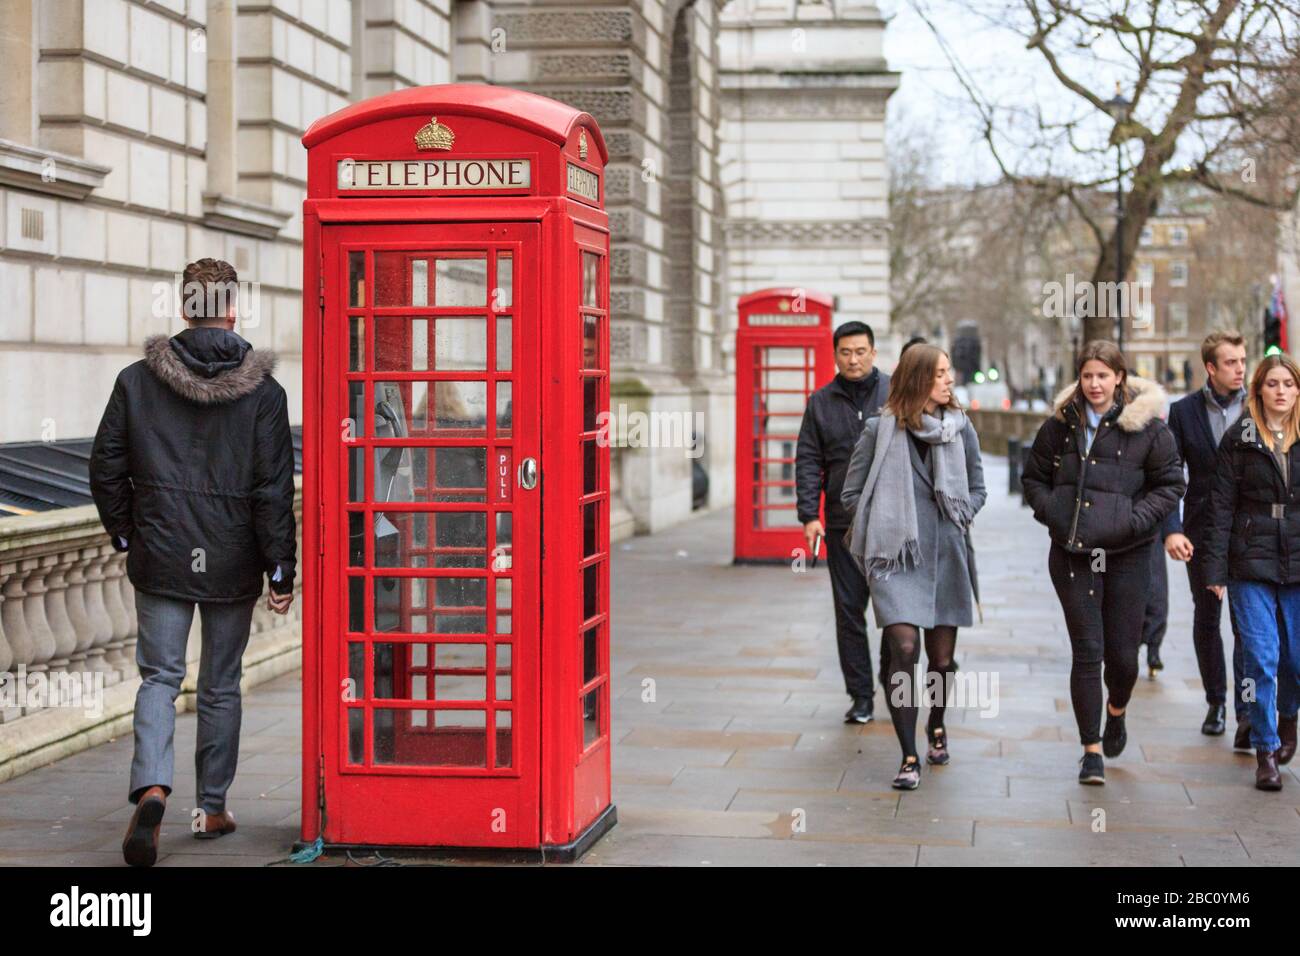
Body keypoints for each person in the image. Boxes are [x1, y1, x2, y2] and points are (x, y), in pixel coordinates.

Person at [89, 258, 297, 866]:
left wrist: (127, 533)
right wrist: (279, 567)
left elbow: (105, 467)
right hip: (231, 559)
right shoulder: (265, 393)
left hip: (162, 551)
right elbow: (272, 490)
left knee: (158, 676)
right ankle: (210, 807)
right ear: (234, 309)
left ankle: (153, 786)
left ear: (183, 308)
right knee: (220, 684)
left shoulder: (136, 381)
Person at [1021, 341, 1184, 786]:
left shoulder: (1147, 429)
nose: (1094, 384)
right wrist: (1054, 511)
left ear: (1119, 379)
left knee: (1123, 660)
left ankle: (1117, 711)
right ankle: (1090, 750)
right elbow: (1032, 477)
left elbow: (1170, 484)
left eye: (1103, 376)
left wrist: (1135, 520)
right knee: (1087, 653)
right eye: (1087, 376)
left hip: (1129, 556)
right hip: (1073, 557)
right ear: (1080, 378)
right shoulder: (1059, 427)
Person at [840, 345, 986, 789]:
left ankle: (936, 726)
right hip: (895, 559)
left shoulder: (960, 429)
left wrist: (960, 514)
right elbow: (851, 494)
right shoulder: (878, 431)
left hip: (946, 557)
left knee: (940, 662)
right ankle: (908, 755)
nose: (949, 381)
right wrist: (879, 525)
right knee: (904, 649)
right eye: (940, 374)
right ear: (919, 379)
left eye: (948, 373)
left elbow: (977, 487)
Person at [1161, 331, 1270, 744]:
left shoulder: (1258, 407)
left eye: (1243, 360)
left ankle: (1246, 711)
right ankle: (1216, 701)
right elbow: (1171, 477)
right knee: (1207, 620)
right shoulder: (1183, 413)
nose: (1241, 368)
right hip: (1203, 533)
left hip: (1250, 533)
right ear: (1211, 367)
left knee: (1248, 624)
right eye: (1231, 362)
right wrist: (1171, 528)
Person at [1201, 353, 1300, 790]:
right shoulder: (1239, 438)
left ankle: (1289, 718)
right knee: (1261, 658)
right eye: (1273, 383)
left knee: (1294, 660)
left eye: (1289, 384)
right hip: (1249, 563)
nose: (1281, 391)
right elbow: (1220, 506)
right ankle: (1265, 749)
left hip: (1297, 563)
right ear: (1259, 389)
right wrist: (1215, 569)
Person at [796, 321, 891, 724]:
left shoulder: (894, 394)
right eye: (845, 353)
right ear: (835, 355)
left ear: (873, 352)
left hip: (891, 525)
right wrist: (808, 514)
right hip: (842, 524)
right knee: (849, 611)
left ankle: (892, 680)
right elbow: (807, 459)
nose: (853, 360)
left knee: (895, 612)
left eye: (860, 351)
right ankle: (861, 695)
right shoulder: (820, 402)